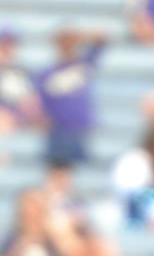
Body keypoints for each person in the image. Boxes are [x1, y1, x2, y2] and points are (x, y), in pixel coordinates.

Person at [38, 27, 107, 165]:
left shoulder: (83, 65)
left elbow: (103, 39)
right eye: (64, 42)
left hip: (80, 132)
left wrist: (79, 36)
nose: (67, 45)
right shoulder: (47, 74)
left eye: (70, 42)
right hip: (58, 132)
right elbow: (40, 106)